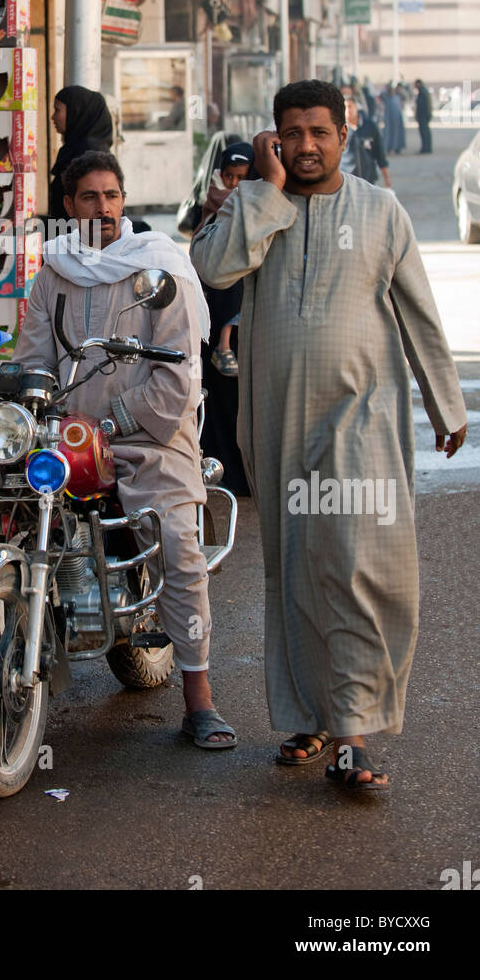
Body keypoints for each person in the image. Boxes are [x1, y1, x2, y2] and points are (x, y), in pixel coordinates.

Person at [0, 150, 237, 749]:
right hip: (62, 432)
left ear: (124, 202)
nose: (103, 208)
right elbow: (33, 358)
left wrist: (108, 419)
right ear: (69, 207)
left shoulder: (159, 269)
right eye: (90, 197)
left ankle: (199, 697)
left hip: (146, 436)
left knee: (178, 543)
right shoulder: (54, 271)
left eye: (112, 196)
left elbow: (178, 383)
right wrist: (13, 392)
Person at [191, 80, 466, 791]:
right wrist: (264, 191)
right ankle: (308, 716)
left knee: (351, 561)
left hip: (360, 417)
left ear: (345, 134)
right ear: (274, 139)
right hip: (278, 418)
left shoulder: (379, 211)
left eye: (320, 131)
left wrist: (445, 405)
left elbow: (418, 312)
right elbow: (212, 268)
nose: (307, 145)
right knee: (294, 566)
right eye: (292, 133)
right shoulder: (259, 206)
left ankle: (352, 731)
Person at [192, 143, 255, 377]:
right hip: (213, 264)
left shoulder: (256, 196)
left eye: (242, 177)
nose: (234, 183)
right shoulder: (217, 188)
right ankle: (223, 345)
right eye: (230, 176)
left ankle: (225, 343)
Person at [47, 85, 113, 226]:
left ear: (75, 112)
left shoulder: (90, 158)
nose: (53, 117)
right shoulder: (73, 150)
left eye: (57, 110)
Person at [339, 84, 391, 187]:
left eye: (350, 106)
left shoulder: (370, 127)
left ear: (357, 107)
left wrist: (387, 179)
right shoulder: (337, 129)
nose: (348, 111)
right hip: (346, 182)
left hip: (368, 179)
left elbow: (380, 153)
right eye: (345, 108)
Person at [383, 83, 406, 155]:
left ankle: (397, 148)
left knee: (398, 134)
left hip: (397, 120)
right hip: (390, 121)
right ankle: (389, 148)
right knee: (389, 134)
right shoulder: (387, 99)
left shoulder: (397, 98)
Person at [414, 78, 433, 154]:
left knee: (424, 132)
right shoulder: (424, 91)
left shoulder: (422, 92)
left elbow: (422, 106)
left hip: (423, 116)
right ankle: (426, 147)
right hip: (425, 115)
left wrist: (419, 116)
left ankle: (426, 148)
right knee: (425, 132)